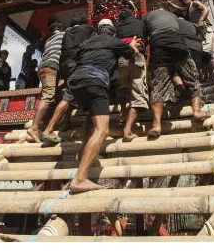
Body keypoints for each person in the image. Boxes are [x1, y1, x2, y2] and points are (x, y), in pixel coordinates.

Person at [66, 18, 139, 193]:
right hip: (95, 80)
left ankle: (84, 151)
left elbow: (75, 58)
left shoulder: (87, 42)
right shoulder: (114, 41)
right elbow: (132, 53)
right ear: (113, 32)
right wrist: (134, 44)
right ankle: (80, 178)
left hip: (75, 81)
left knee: (91, 118)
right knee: (103, 130)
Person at [144, 2, 209, 139]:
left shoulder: (147, 16)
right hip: (178, 46)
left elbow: (144, 38)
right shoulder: (172, 16)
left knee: (159, 87)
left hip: (159, 47)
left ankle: (156, 125)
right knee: (192, 78)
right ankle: (196, 111)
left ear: (154, 9)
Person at [40, 14, 94, 144]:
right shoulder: (87, 29)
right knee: (91, 95)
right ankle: (88, 137)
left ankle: (60, 124)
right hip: (80, 65)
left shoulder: (65, 34)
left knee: (69, 95)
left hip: (65, 68)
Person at [27, 22, 65, 142]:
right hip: (51, 67)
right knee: (48, 97)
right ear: (61, 29)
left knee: (47, 95)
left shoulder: (49, 40)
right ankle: (34, 128)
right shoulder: (62, 36)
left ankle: (39, 125)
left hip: (42, 67)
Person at [115, 9, 148, 142]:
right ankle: (127, 130)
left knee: (122, 88)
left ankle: (122, 114)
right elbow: (146, 38)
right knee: (137, 94)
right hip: (137, 57)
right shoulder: (139, 23)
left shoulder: (117, 27)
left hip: (121, 59)